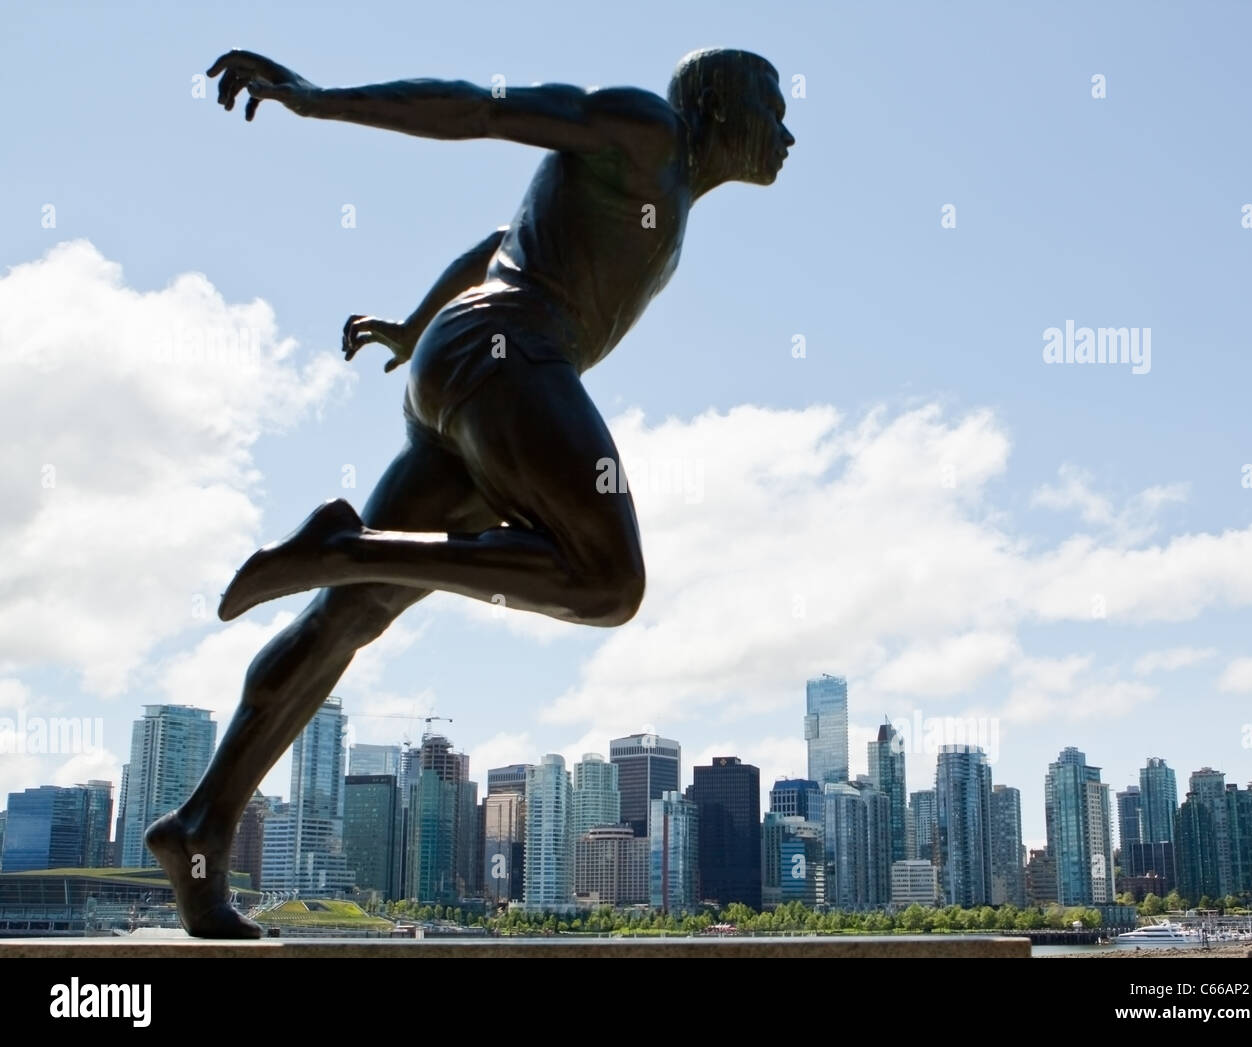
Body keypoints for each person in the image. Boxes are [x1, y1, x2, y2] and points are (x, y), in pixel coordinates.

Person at [146, 46, 794, 937]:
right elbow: (481, 109)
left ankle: (200, 830)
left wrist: (414, 326)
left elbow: (499, 245)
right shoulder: (646, 132)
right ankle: (341, 548)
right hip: (507, 352)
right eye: (773, 104)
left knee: (344, 620)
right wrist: (318, 97)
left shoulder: (665, 193)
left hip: (463, 367)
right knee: (607, 582)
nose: (788, 132)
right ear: (721, 102)